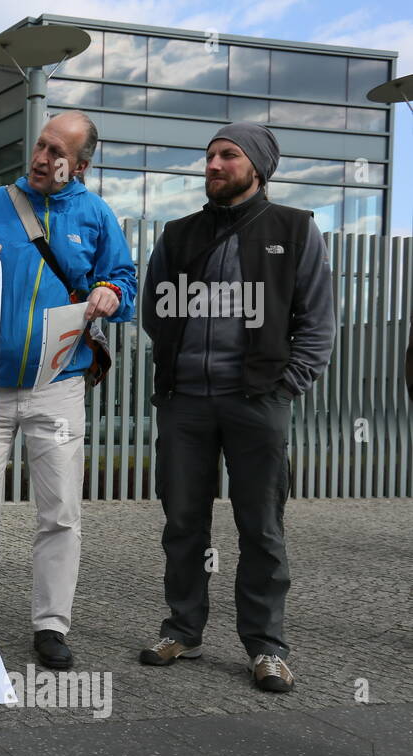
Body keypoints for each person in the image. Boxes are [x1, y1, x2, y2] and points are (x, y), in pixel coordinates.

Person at [138, 123, 335, 692]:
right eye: (210, 156)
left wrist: (285, 385)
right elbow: (157, 309)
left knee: (262, 528)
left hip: (257, 402)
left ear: (258, 166)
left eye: (228, 155)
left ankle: (266, 646)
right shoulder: (178, 234)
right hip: (186, 403)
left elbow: (317, 321)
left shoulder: (294, 229)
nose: (214, 165)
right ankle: (183, 630)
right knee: (182, 523)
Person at [0, 110, 137, 670]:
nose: (41, 158)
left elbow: (126, 283)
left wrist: (109, 291)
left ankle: (51, 626)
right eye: (39, 145)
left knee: (59, 513)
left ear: (80, 165)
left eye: (56, 152)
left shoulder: (95, 214)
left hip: (58, 385)